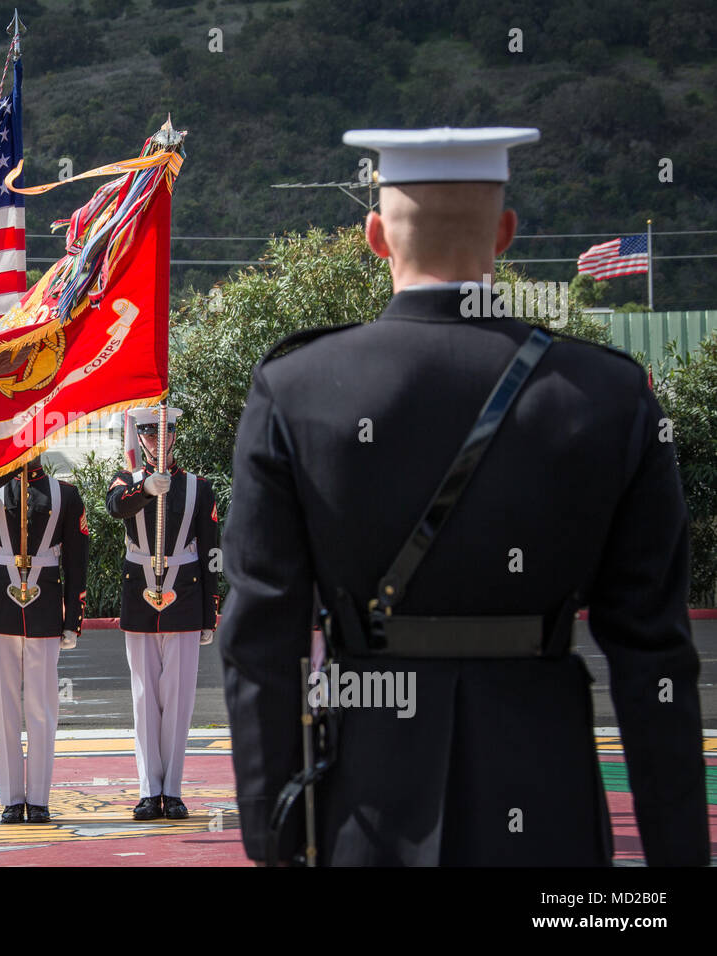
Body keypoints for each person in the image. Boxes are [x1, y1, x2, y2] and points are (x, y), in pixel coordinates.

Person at [220, 128, 709, 866]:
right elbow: (654, 655)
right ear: (506, 234)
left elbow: (260, 637)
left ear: (375, 236)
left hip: (368, 800)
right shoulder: (607, 394)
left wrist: (272, 833)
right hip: (548, 796)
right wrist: (679, 854)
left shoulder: (296, 388)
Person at [0, 456, 88, 824]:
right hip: (1, 605)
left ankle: (39, 798)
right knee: (3, 708)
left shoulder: (66, 495)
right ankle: (12, 798)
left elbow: (77, 563)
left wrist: (72, 619)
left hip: (46, 607)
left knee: (42, 709)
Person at [106, 406, 219, 821]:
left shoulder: (198, 488)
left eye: (165, 434)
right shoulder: (127, 481)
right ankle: (148, 789)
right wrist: (146, 489)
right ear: (140, 439)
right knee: (143, 697)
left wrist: (209, 613)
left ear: (175, 436)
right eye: (151, 435)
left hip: (185, 595)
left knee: (178, 698)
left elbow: (210, 554)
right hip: (139, 595)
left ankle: (172, 790)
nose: (158, 442)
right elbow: (116, 506)